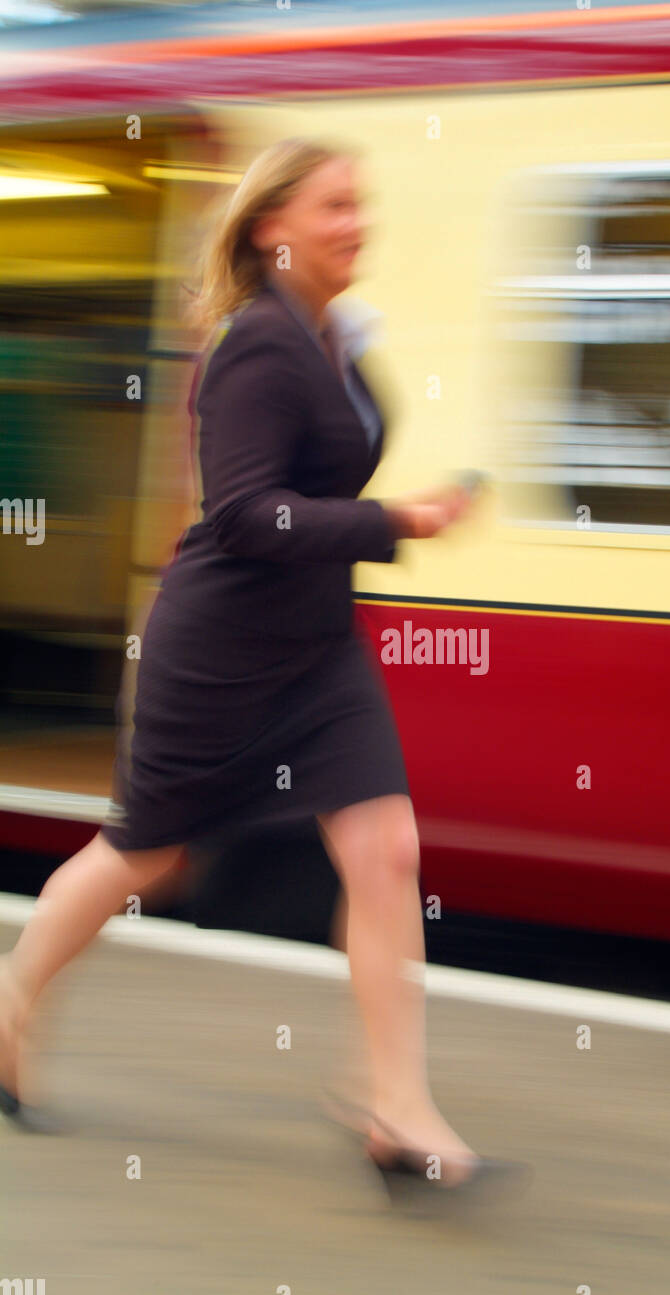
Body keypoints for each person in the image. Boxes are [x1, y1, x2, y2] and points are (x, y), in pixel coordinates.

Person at [0, 136, 526, 1205]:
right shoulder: (253, 344)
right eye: (333, 205)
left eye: (359, 203)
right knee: (145, 857)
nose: (355, 222)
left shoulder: (337, 337)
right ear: (269, 227)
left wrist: (401, 508)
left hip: (318, 650)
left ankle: (396, 1111)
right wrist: (399, 516)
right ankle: (10, 1004)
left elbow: (313, 481)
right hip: (221, 654)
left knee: (385, 851)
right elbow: (242, 512)